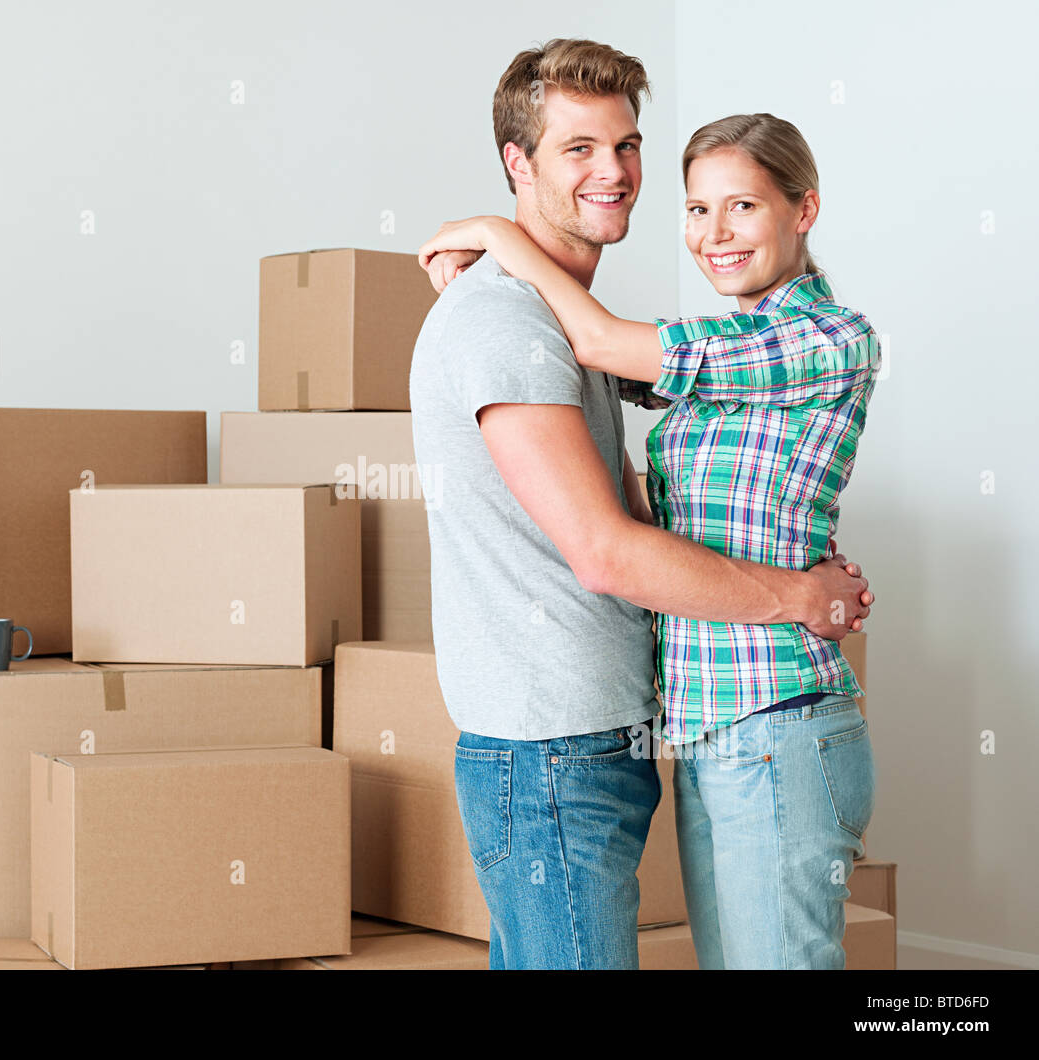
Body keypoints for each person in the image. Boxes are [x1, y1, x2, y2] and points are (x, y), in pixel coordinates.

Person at [408, 37, 873, 970]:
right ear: (518, 163)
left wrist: (498, 237)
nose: (614, 171)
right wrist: (798, 592)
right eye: (578, 148)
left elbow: (613, 371)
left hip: (745, 719)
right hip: (591, 740)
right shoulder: (516, 320)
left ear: (804, 209)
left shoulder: (805, 338)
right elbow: (608, 547)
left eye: (626, 146)